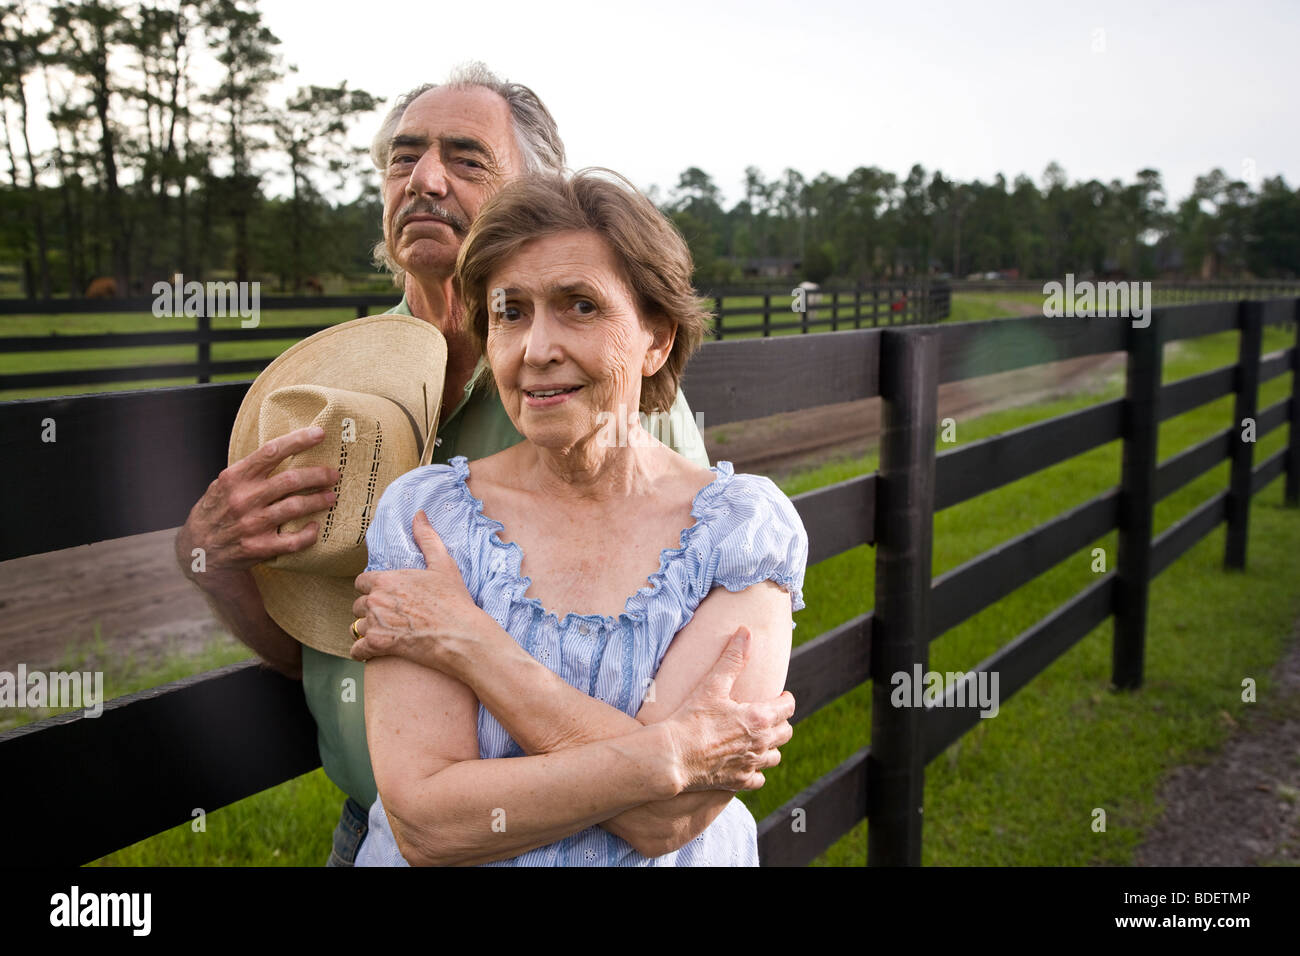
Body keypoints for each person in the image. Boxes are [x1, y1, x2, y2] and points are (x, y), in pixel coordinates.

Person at [173, 64, 765, 867]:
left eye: (466, 157)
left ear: (539, 193)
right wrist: (216, 565)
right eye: (403, 157)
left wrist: (472, 645)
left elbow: (686, 600)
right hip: (387, 820)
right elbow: (320, 644)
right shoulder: (332, 389)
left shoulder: (614, 391)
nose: (424, 179)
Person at [349, 168, 808, 865]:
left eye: (580, 307)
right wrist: (672, 754)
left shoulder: (741, 531)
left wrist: (471, 642)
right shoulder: (424, 517)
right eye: (510, 313)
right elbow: (429, 822)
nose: (536, 349)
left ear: (656, 339)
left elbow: (665, 826)